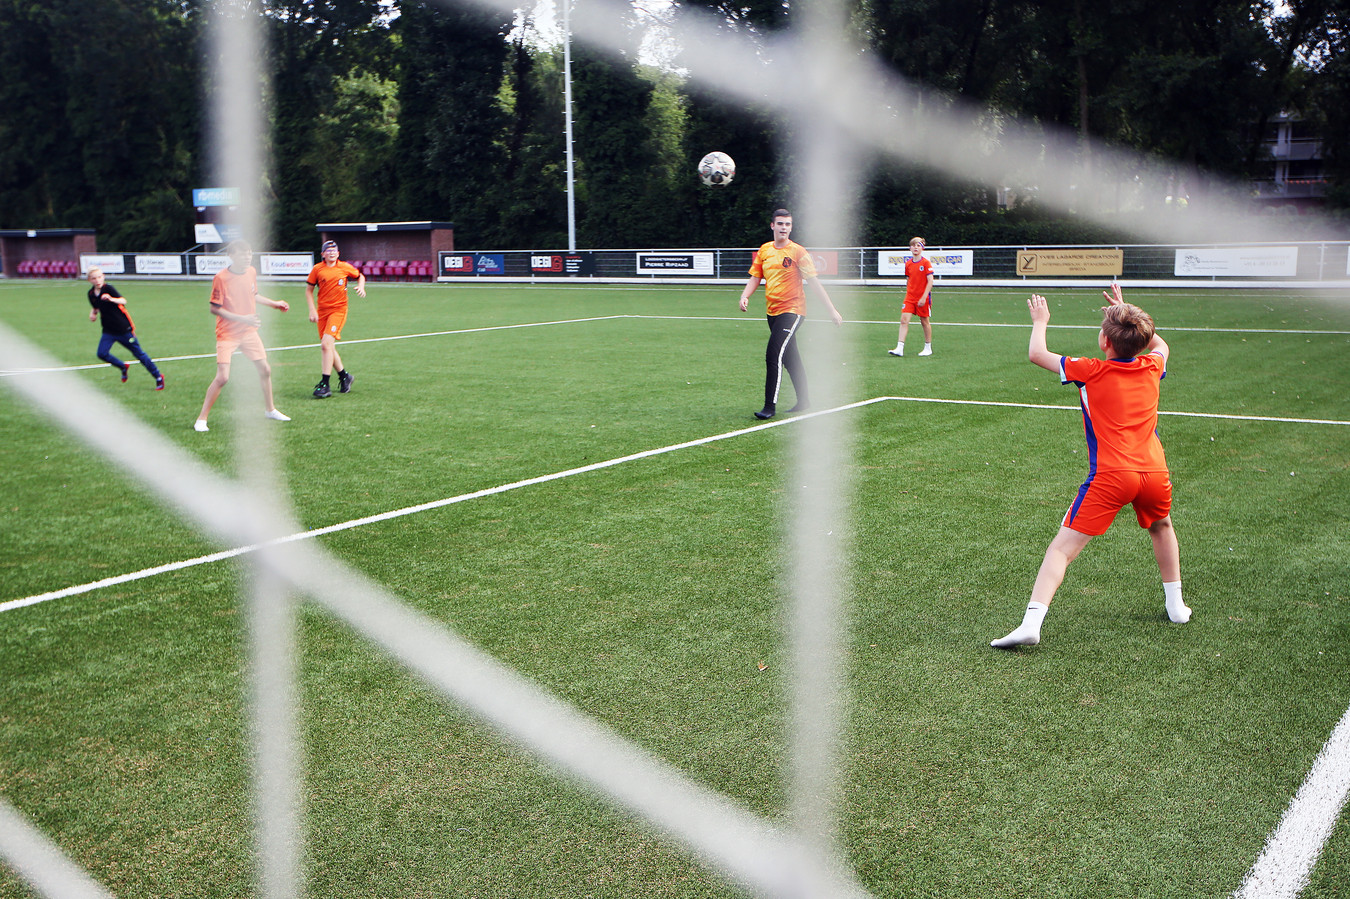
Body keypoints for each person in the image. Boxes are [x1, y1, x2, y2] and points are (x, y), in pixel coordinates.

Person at [991, 284, 1191, 648]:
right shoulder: (1151, 365)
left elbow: (1037, 353)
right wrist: (1129, 312)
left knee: (1061, 549)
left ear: (1105, 342)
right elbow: (1160, 346)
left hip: (1112, 476)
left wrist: (1041, 320)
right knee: (1162, 527)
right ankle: (1176, 604)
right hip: (1155, 472)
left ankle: (1031, 623)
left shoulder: (1090, 370)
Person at [738, 208, 843, 420]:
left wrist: (831, 309)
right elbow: (756, 277)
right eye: (780, 224)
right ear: (772, 226)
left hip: (793, 311)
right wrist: (745, 295)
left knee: (773, 354)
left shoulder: (798, 252)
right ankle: (804, 400)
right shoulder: (765, 250)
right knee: (790, 358)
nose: (784, 228)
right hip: (772, 312)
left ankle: (769, 407)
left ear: (791, 227)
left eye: (787, 224)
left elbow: (814, 283)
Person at [194, 240, 291, 432]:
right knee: (223, 378)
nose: (247, 257)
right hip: (227, 334)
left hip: (248, 332)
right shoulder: (221, 278)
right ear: (231, 255)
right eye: (242, 254)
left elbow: (253, 294)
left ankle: (270, 410)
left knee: (265, 369)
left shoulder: (251, 272)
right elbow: (215, 309)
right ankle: (201, 419)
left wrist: (274, 303)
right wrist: (243, 318)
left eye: (249, 253)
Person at [86, 267, 164, 390]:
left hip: (123, 329)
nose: (97, 280)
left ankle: (158, 376)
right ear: (89, 280)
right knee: (101, 353)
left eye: (99, 277)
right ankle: (122, 366)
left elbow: (123, 300)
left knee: (139, 354)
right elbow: (96, 307)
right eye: (94, 278)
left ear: (103, 276)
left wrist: (111, 299)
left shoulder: (108, 289)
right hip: (108, 331)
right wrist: (93, 313)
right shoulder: (91, 294)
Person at [305, 239, 365, 398]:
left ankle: (325, 384)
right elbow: (309, 290)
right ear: (323, 254)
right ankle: (345, 376)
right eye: (328, 251)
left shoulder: (344, 267)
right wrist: (312, 310)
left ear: (338, 253)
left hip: (338, 311)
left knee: (325, 345)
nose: (331, 253)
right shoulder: (317, 269)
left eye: (334, 251)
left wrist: (361, 286)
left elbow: (360, 276)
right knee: (329, 347)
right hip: (322, 312)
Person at [888, 236, 933, 357]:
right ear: (910, 248)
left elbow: (930, 281)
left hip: (923, 297)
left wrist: (924, 297)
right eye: (913, 245)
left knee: (924, 321)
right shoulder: (908, 263)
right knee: (904, 320)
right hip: (910, 297)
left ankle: (928, 347)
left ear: (922, 248)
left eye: (918, 245)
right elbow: (909, 280)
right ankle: (899, 348)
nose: (915, 248)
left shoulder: (926, 263)